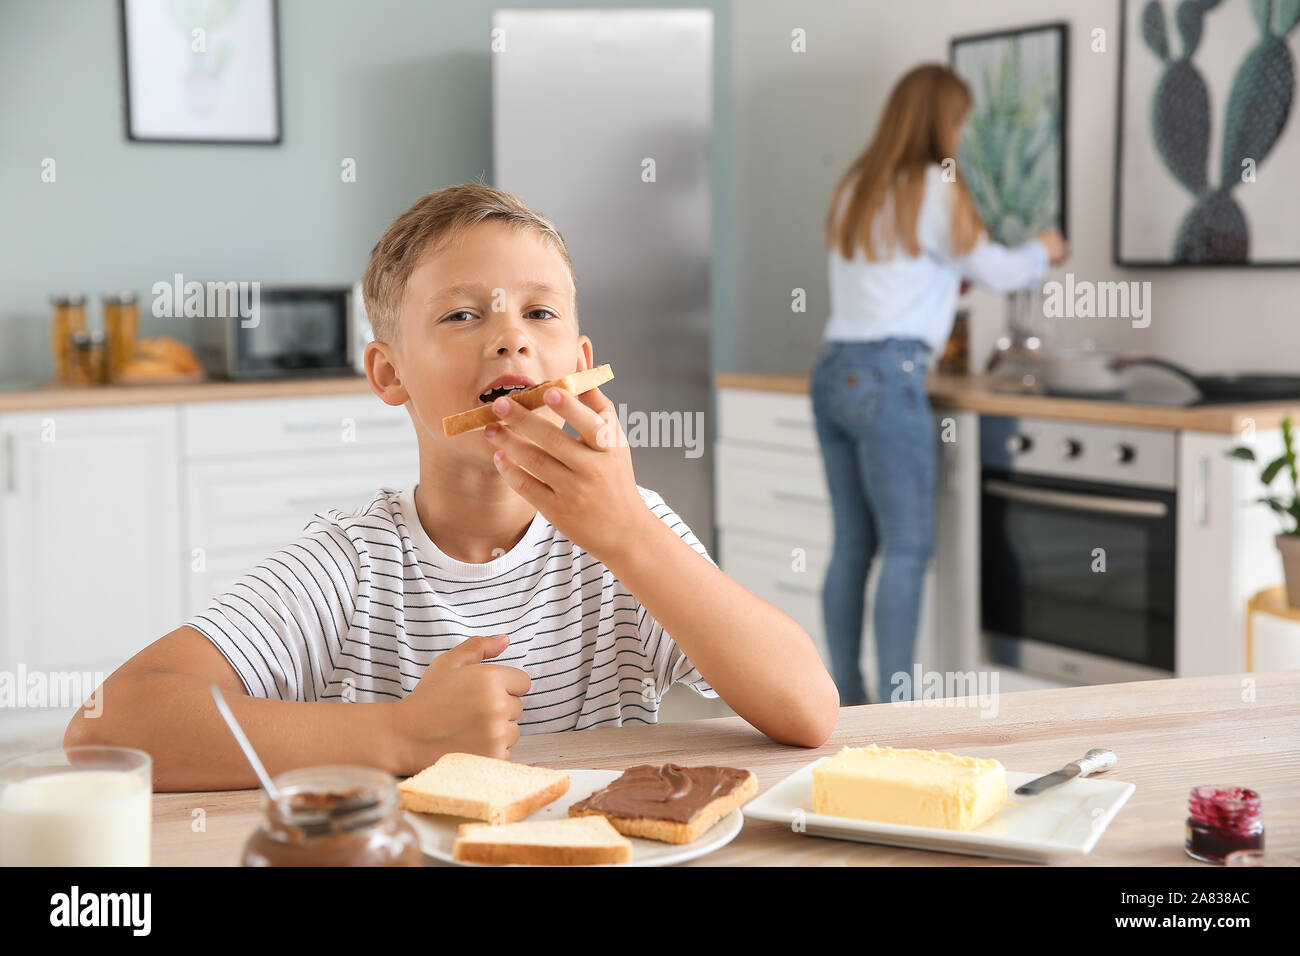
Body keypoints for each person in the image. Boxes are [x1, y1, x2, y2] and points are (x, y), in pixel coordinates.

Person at [67, 183, 839, 790]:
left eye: (540, 312)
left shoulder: (632, 536)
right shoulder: (351, 563)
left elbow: (807, 709)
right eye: (463, 314)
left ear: (578, 358)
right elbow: (111, 726)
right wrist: (401, 736)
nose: (510, 335)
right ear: (389, 372)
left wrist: (631, 535)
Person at [813, 64, 1068, 705]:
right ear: (944, 121)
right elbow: (1000, 269)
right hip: (889, 375)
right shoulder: (936, 185)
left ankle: (844, 698)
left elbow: (897, 276)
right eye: (960, 120)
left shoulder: (857, 185)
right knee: (907, 546)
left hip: (834, 372)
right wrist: (1043, 249)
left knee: (852, 545)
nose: (962, 133)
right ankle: (899, 711)